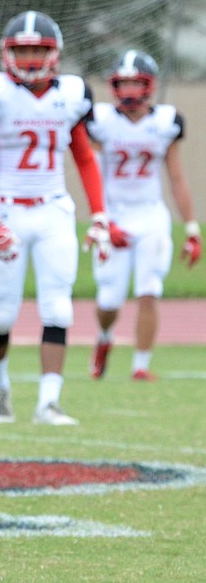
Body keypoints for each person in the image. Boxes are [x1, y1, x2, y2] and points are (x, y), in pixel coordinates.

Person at [0, 10, 113, 426]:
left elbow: (84, 158)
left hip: (53, 210)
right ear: (7, 53)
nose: (31, 58)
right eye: (23, 49)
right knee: (2, 315)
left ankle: (49, 401)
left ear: (55, 54)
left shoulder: (71, 93)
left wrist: (99, 214)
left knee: (58, 309)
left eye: (38, 49)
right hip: (9, 209)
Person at [87, 50, 200, 381]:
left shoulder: (166, 122)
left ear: (149, 85)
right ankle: (105, 338)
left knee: (149, 289)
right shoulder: (100, 121)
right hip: (114, 215)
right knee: (109, 298)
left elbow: (176, 177)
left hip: (151, 215)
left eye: (137, 82)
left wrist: (192, 228)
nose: (130, 90)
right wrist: (103, 220)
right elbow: (91, 172)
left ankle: (140, 365)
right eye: (124, 83)